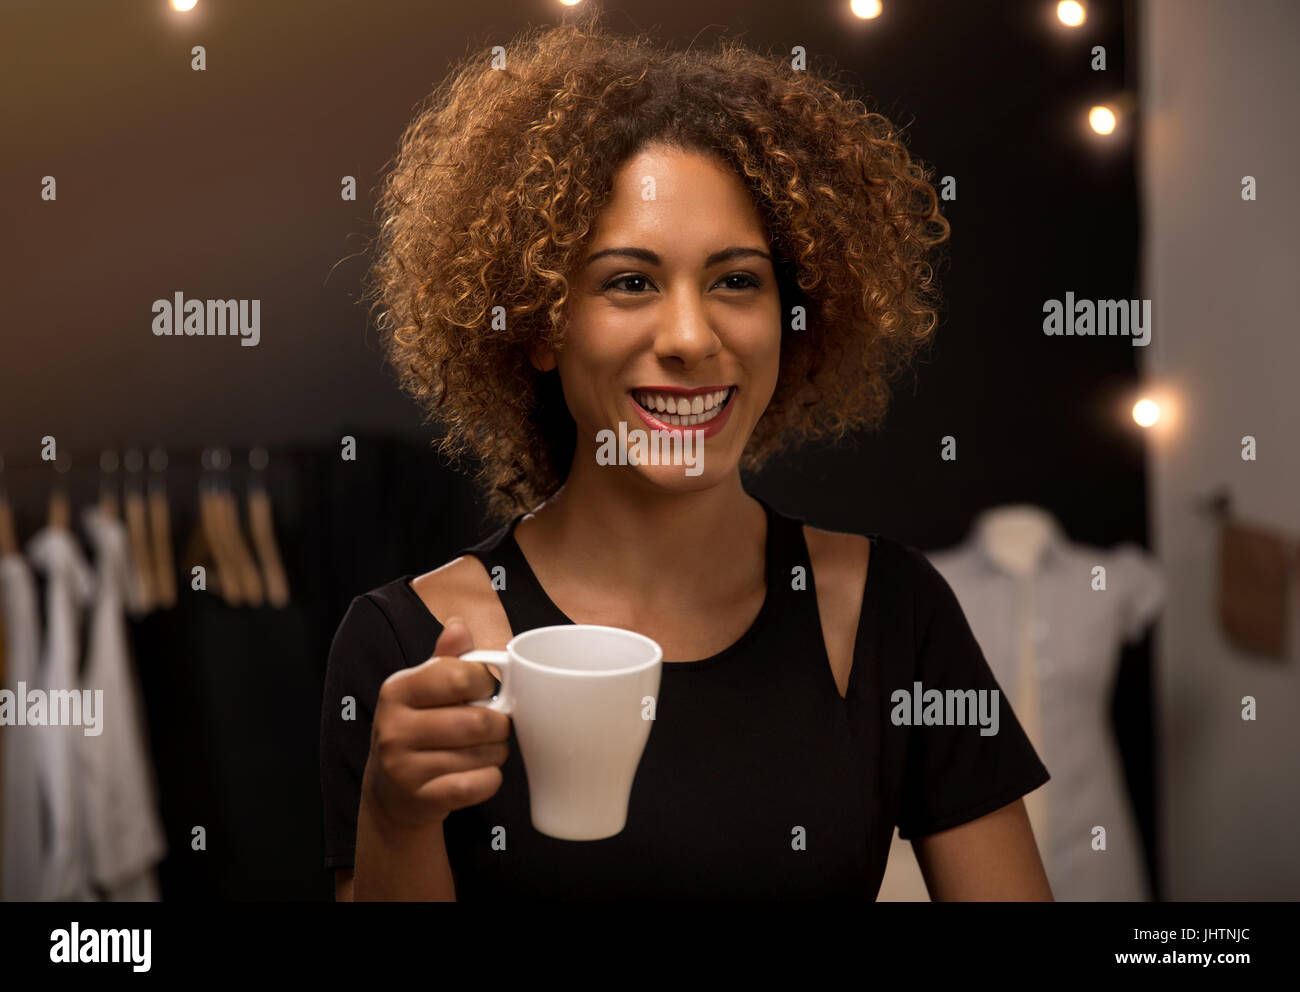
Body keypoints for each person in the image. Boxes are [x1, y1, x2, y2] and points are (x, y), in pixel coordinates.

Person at [321, 12, 1052, 901]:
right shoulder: (413, 649)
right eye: (629, 282)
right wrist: (397, 815)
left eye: (736, 281)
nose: (689, 337)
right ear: (543, 325)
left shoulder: (891, 617)